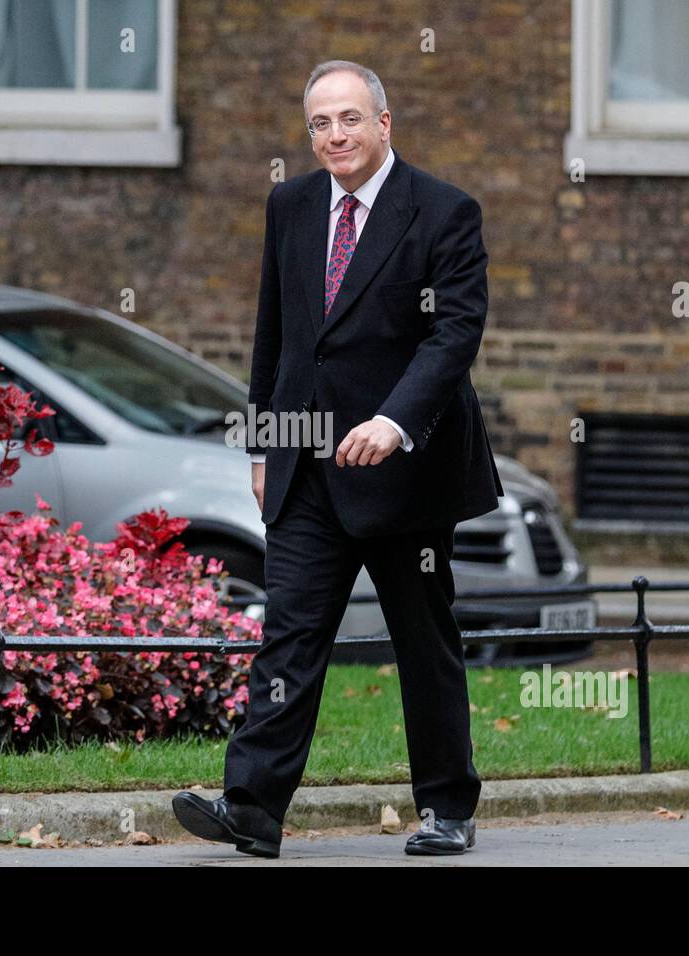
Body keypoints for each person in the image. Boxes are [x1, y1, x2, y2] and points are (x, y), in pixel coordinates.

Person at [172, 59, 503, 857]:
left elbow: (453, 334)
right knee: (288, 636)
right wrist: (262, 443)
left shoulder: (444, 212)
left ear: (384, 123)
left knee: (422, 641)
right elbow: (275, 338)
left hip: (405, 476)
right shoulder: (290, 206)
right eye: (320, 123)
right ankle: (252, 805)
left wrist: (396, 421)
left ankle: (447, 807)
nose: (335, 136)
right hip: (307, 470)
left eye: (349, 119)